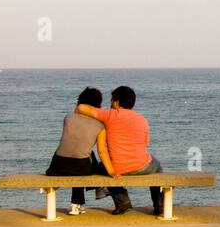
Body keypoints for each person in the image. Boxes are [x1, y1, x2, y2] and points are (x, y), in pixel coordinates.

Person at [76, 85, 163, 216]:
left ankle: (122, 202)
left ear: (116, 102)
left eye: (111, 100)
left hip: (117, 169)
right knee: (158, 168)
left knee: (103, 167)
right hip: (142, 165)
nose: (110, 104)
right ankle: (160, 205)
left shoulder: (110, 115)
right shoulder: (142, 119)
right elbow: (144, 144)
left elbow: (81, 108)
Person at [46, 87, 115, 216]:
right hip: (80, 168)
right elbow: (102, 151)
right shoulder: (100, 125)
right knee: (84, 158)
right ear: (98, 104)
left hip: (57, 167)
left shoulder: (68, 117)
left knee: (82, 154)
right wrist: (111, 171)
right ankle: (94, 192)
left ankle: (76, 204)